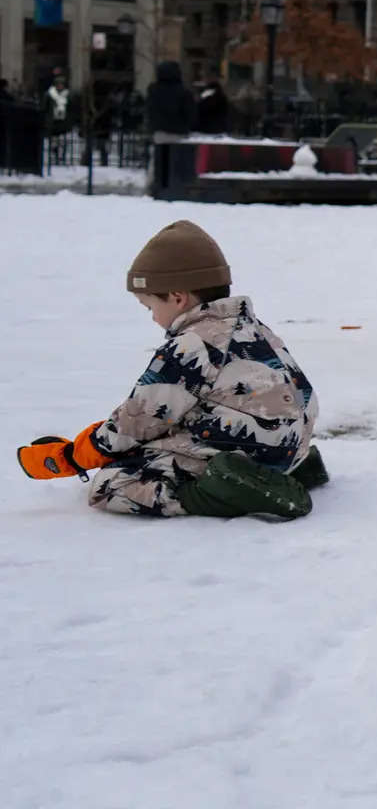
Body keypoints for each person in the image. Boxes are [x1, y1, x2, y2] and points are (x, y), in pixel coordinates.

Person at [13, 220, 325, 518]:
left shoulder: (191, 345)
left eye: (150, 307)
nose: (152, 318)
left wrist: (74, 456)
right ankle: (295, 468)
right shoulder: (253, 328)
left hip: (241, 451)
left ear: (177, 298)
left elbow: (137, 420)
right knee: (150, 447)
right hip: (287, 444)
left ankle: (230, 490)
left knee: (113, 484)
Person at [145, 61, 196, 195]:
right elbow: (190, 113)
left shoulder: (153, 90)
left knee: (158, 160)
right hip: (179, 131)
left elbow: (150, 110)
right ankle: (177, 187)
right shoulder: (184, 92)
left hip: (160, 130)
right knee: (177, 161)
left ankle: (155, 187)